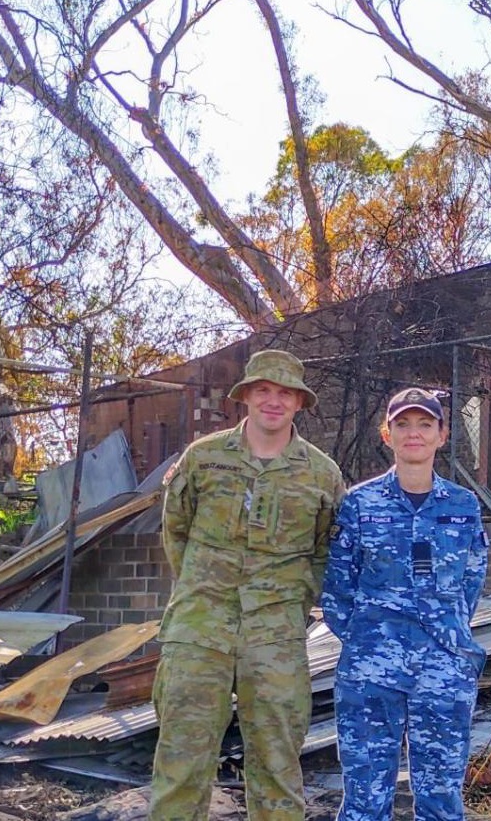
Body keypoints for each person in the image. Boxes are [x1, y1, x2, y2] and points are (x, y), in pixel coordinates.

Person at [150, 349, 345, 821]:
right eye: (263, 390)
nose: (273, 401)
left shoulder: (322, 474)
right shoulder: (204, 458)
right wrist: (204, 590)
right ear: (246, 397)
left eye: (285, 393)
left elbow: (326, 552)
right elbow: (176, 531)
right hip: (200, 630)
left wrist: (292, 602)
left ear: (299, 402)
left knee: (277, 765)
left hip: (275, 636)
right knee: (181, 762)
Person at [322, 387, 489, 821]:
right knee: (365, 798)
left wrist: (445, 631)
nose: (414, 433)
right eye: (403, 424)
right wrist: (368, 638)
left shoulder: (463, 506)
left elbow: (472, 579)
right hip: (371, 669)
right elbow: (337, 586)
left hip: (443, 668)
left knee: (441, 798)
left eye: (425, 424)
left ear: (442, 435)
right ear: (387, 435)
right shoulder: (359, 504)